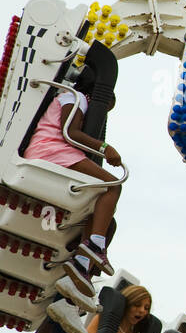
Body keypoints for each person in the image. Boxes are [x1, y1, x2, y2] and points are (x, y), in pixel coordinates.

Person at [21, 73, 122, 295]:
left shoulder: (73, 98)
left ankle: (82, 265)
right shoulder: (75, 97)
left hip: (54, 151)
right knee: (113, 185)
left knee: (99, 211)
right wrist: (105, 148)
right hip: (51, 150)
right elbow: (71, 133)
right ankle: (95, 245)